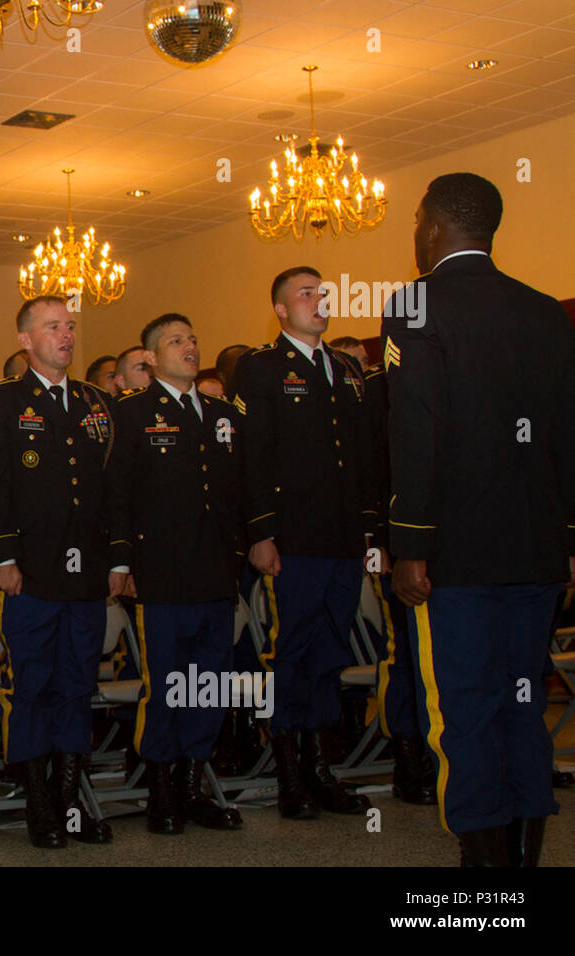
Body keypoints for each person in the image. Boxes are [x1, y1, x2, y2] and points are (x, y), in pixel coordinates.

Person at [383, 172, 575, 866]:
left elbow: (419, 431)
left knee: (464, 711)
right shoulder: (545, 311)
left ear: (433, 227)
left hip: (455, 557)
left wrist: (411, 545)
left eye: (414, 220)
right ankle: (523, 860)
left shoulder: (416, 305)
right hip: (537, 554)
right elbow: (566, 437)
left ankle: (484, 874)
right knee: (525, 703)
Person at [231, 267, 376, 820]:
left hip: (341, 536)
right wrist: (262, 532)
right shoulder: (262, 367)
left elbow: (360, 455)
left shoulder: (344, 368)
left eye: (324, 292)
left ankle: (322, 767)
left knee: (330, 651)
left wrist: (368, 531)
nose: (320, 301)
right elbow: (253, 454)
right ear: (282, 310)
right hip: (294, 537)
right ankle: (290, 771)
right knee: (294, 652)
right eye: (307, 294)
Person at [0, 294, 116, 849]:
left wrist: (116, 558)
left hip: (85, 573)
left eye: (71, 326)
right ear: (26, 341)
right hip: (31, 571)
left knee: (78, 686)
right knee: (33, 686)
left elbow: (108, 491)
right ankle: (38, 802)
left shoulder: (93, 401)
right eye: (52, 327)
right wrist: (1, 557)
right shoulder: (4, 399)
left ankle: (71, 800)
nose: (66, 335)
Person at [106, 314, 245, 835]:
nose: (189, 347)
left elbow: (236, 492)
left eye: (191, 339)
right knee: (168, 684)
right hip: (161, 573)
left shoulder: (223, 412)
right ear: (150, 359)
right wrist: (123, 562)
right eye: (175, 341)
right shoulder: (134, 412)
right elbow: (117, 497)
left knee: (208, 684)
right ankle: (161, 790)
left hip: (215, 573)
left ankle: (192, 786)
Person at [360, 357, 437, 806]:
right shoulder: (379, 389)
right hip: (395, 544)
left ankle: (443, 753)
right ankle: (409, 760)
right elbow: (369, 469)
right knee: (405, 655)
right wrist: (377, 548)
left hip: (451, 546)